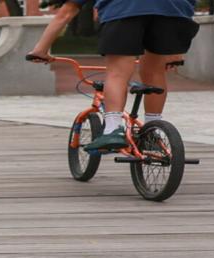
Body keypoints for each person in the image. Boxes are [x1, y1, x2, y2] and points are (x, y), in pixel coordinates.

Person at [26, 0, 200, 152]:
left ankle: (112, 129)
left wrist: (40, 50)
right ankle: (152, 130)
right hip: (173, 15)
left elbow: (66, 13)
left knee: (117, 73)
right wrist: (176, 51)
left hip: (124, 11)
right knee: (154, 71)